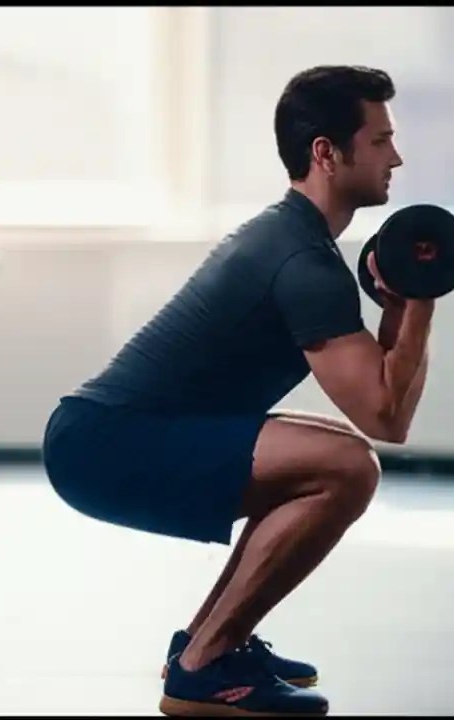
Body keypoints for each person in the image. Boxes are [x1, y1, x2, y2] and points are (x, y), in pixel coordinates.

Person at [41, 65, 434, 717]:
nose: (397, 156)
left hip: (104, 436)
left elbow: (386, 402)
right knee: (346, 467)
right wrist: (419, 300)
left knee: (334, 451)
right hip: (104, 444)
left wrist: (404, 306)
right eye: (380, 140)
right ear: (326, 154)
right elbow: (386, 418)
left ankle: (210, 644)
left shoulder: (294, 238)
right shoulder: (303, 262)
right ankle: (206, 667)